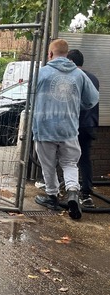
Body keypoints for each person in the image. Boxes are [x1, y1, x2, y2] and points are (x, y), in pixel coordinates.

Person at [33, 39, 99, 219]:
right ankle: (72, 193)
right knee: (70, 163)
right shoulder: (79, 74)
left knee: (48, 165)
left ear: (50, 54)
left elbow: (29, 96)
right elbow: (93, 99)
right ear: (67, 54)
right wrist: (79, 105)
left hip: (45, 128)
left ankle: (52, 197)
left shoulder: (41, 73)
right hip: (69, 128)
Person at [67, 49, 100, 208]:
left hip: (74, 124)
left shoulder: (73, 78)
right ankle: (86, 193)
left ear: (71, 62)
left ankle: (67, 188)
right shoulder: (93, 78)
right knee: (85, 158)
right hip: (90, 124)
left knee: (67, 158)